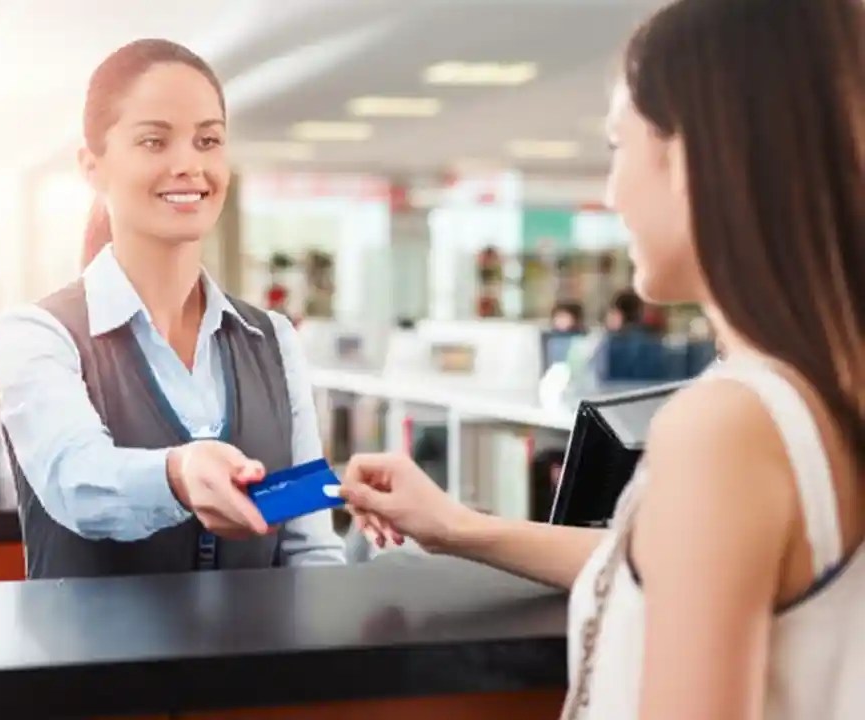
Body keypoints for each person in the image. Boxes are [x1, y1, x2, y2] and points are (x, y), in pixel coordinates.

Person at [338, 1, 864, 718]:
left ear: (693, 158)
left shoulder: (726, 428)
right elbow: (681, 573)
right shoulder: (820, 390)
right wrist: (462, 529)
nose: (612, 194)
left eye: (618, 147)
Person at [0, 39, 345, 580]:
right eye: (154, 141)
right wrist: (181, 472)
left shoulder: (272, 340)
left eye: (209, 141)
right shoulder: (38, 335)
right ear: (93, 167)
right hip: (94, 665)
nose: (189, 165)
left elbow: (309, 544)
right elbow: (77, 481)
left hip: (258, 664)